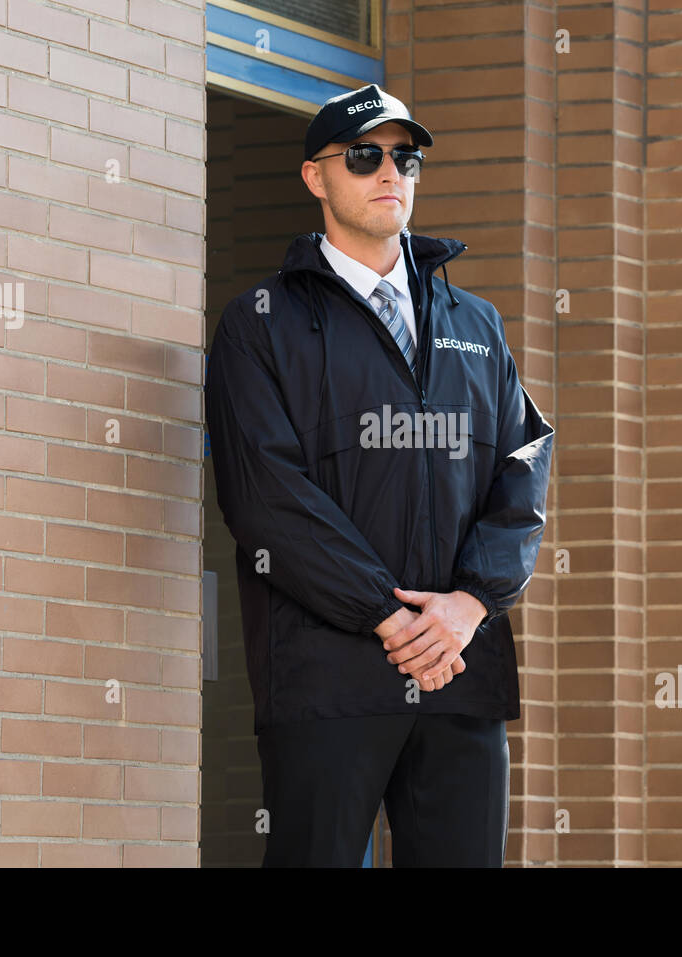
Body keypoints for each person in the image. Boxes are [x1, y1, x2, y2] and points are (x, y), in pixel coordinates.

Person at [206, 83, 554, 867]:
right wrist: (386, 615)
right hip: (328, 678)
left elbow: (523, 463)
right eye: (365, 156)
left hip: (460, 672)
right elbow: (265, 495)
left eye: (405, 156)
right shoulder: (262, 323)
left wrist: (469, 603)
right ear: (315, 178)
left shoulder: (476, 323)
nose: (389, 171)